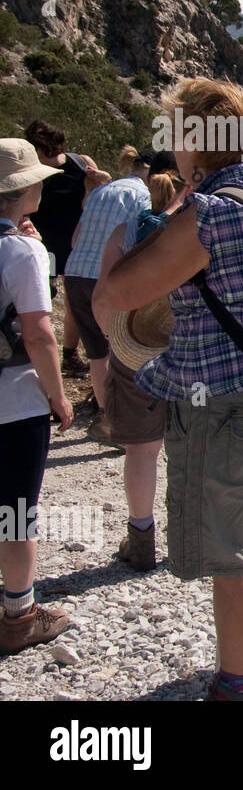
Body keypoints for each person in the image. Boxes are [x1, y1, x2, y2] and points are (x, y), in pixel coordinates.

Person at [96, 78, 243, 700]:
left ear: (196, 140)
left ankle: (235, 685)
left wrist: (142, 233)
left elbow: (116, 295)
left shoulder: (208, 215)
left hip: (223, 408)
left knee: (228, 560)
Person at [93, 160, 186, 572]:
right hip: (189, 351)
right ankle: (189, 537)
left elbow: (103, 298)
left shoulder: (125, 232)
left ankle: (141, 539)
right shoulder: (203, 230)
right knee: (189, 449)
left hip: (137, 349)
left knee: (143, 451)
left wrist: (117, 340)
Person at [0, 138, 73, 655]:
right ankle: (19, 614)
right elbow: (39, 334)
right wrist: (59, 395)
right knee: (16, 511)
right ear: (22, 189)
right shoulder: (22, 251)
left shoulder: (25, 244)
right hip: (16, 400)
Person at [63, 148, 160, 442]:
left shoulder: (99, 192)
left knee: (94, 350)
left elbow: (76, 237)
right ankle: (121, 417)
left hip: (75, 270)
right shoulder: (142, 196)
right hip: (106, 277)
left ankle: (106, 416)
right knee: (118, 348)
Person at [25, 121, 110, 376]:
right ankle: (38, 354)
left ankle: (69, 355)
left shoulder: (80, 164)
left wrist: (100, 180)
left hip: (73, 243)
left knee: (74, 302)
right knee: (42, 298)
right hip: (44, 245)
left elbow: (98, 196)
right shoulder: (34, 169)